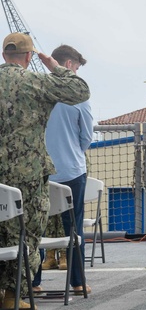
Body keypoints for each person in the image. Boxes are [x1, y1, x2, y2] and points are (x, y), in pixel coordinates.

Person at [0, 33, 90, 310]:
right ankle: (16, 296)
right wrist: (54, 65)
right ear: (28, 57)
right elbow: (80, 90)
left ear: (4, 56)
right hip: (27, 171)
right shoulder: (36, 82)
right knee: (26, 232)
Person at [31, 45, 93, 295]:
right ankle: (77, 282)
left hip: (40, 171)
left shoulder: (37, 91)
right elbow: (86, 137)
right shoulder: (80, 98)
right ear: (68, 66)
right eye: (76, 68)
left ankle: (32, 283)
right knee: (74, 228)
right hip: (71, 171)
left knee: (36, 227)